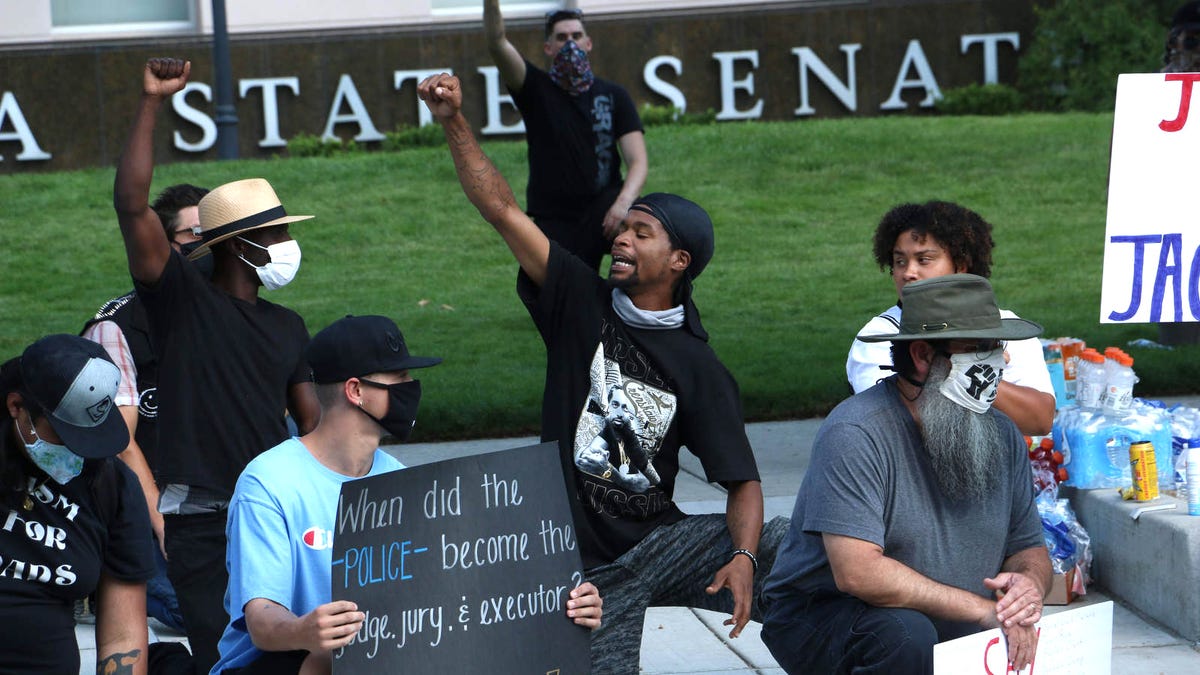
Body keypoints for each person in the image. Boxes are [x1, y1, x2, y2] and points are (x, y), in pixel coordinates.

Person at [418, 73, 786, 673]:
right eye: (624, 227)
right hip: (576, 568)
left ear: (679, 260)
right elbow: (502, 209)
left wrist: (743, 556)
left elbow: (743, 482)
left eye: (643, 233)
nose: (621, 238)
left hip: (660, 545)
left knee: (794, 545)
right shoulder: (574, 299)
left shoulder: (699, 365)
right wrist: (454, 121)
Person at [210, 315, 603, 675]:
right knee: (322, 659)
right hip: (276, 666)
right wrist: (304, 629)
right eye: (398, 378)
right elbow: (262, 622)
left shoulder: (400, 484)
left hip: (371, 660)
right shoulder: (269, 483)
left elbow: (453, 604)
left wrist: (557, 603)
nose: (411, 389)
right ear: (356, 390)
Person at [114, 57, 321, 674]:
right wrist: (152, 101)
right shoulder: (180, 299)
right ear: (237, 243)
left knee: (289, 656)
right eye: (276, 232)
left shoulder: (289, 326)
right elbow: (130, 204)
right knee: (223, 658)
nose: (287, 244)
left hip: (274, 515)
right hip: (203, 521)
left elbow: (312, 430)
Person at [763, 274, 1052, 674]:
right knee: (904, 635)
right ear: (920, 356)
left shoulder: (1001, 433)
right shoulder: (857, 431)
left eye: (996, 346)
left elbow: (1029, 547)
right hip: (827, 615)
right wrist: (982, 611)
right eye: (978, 348)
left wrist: (1028, 587)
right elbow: (857, 572)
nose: (997, 361)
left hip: (942, 614)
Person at [82, 183, 209, 634]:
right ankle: (100, 577)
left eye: (216, 232)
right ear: (163, 245)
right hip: (147, 502)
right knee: (185, 609)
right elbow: (120, 445)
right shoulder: (114, 329)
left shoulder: (236, 315)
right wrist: (165, 528)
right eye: (196, 235)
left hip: (217, 497)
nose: (209, 245)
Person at [1, 334, 156, 674]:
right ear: (17, 407)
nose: (78, 453)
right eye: (65, 436)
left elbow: (122, 637)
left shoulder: (111, 486)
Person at [845, 201, 1056, 435]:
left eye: (923, 260)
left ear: (960, 266)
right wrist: (973, 367)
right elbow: (898, 419)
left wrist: (964, 370)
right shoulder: (878, 335)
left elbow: (1040, 420)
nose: (908, 273)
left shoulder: (1007, 325)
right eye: (900, 261)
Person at [483, 1, 648, 271]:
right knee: (567, 299)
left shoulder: (614, 95)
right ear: (548, 48)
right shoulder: (533, 88)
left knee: (648, 249)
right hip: (556, 217)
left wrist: (623, 204)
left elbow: (638, 161)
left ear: (589, 43)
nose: (570, 43)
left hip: (608, 208)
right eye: (561, 37)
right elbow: (496, 42)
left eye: (576, 36)